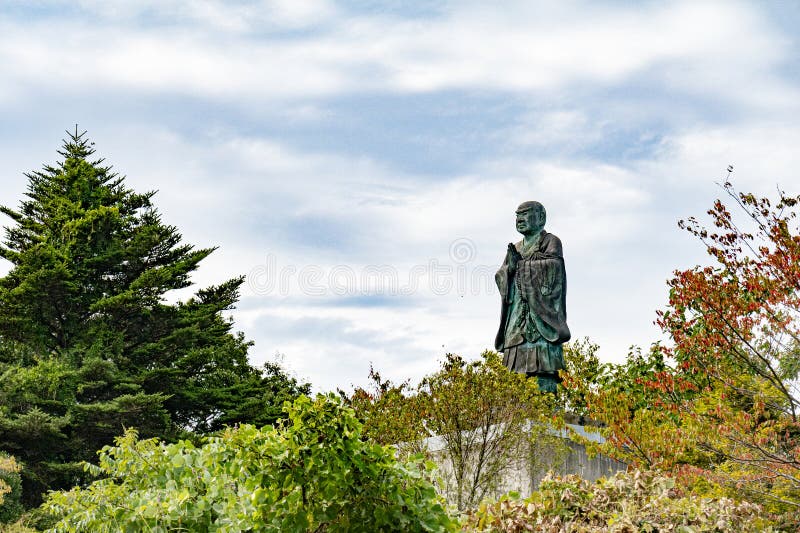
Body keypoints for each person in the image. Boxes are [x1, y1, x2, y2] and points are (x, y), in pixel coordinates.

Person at [495, 201, 570, 392]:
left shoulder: (550, 241)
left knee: (543, 365)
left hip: (541, 314)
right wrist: (510, 268)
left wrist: (522, 266)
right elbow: (501, 275)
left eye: (526, 214)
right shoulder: (516, 248)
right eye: (517, 215)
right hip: (517, 312)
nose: (520, 219)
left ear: (541, 217)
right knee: (514, 369)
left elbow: (554, 268)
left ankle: (545, 400)